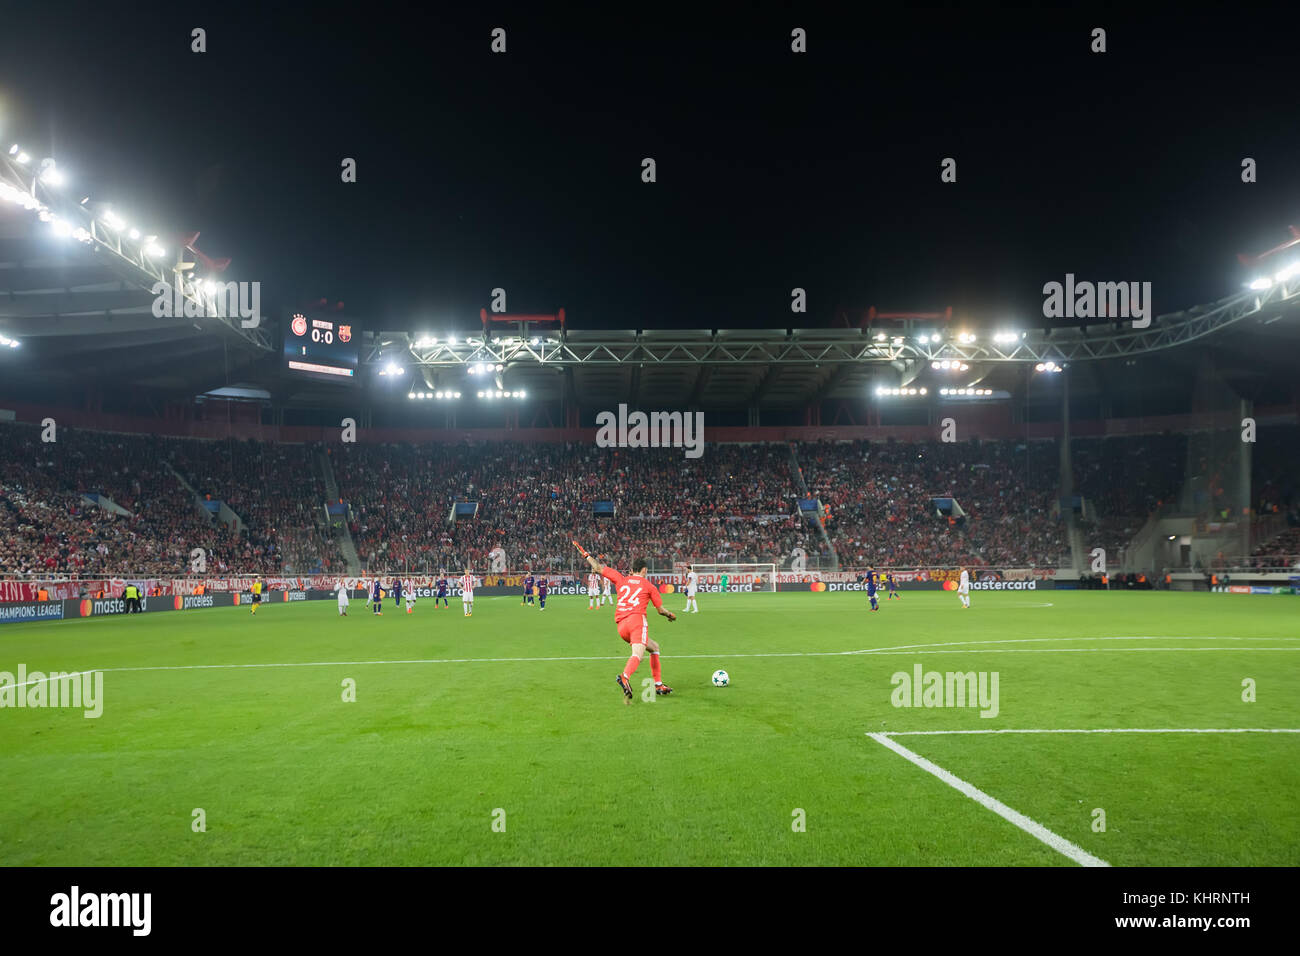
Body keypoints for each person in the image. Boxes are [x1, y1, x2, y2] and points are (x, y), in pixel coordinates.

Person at [576, 543, 675, 702]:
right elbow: (660, 610)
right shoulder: (649, 586)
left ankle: (658, 685)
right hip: (637, 622)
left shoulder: (621, 579)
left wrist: (586, 555)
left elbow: (599, 567)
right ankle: (624, 677)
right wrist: (671, 615)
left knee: (654, 647)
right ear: (644, 570)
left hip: (622, 626)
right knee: (638, 655)